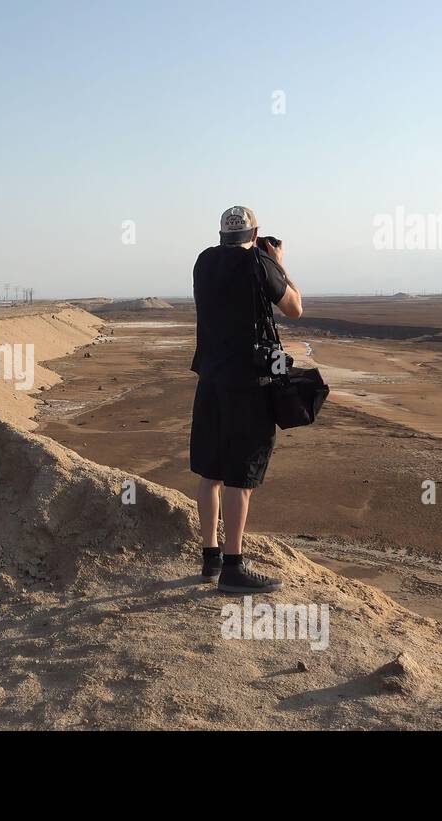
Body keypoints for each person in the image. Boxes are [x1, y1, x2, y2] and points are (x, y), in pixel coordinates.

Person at [189, 206, 303, 593]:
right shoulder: (260, 263)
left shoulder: (203, 262)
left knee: (211, 472)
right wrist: (279, 265)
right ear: (256, 234)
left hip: (210, 380)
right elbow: (295, 307)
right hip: (248, 384)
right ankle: (234, 568)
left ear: (220, 235)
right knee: (241, 476)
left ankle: (210, 558)